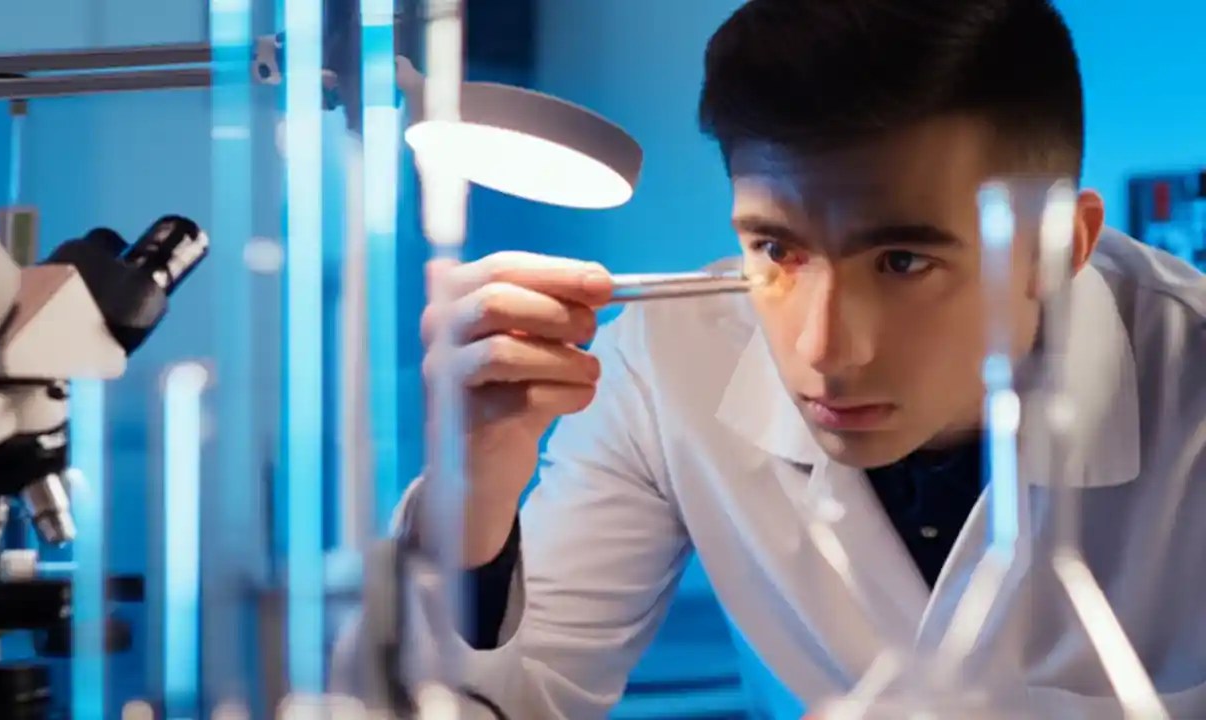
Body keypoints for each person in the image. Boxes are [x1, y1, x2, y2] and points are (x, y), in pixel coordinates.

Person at [389, 0, 1206, 717]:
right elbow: (513, 703)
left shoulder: (1190, 377)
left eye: (901, 261)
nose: (823, 349)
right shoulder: (665, 360)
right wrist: (476, 488)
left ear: (1059, 246)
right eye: (777, 249)